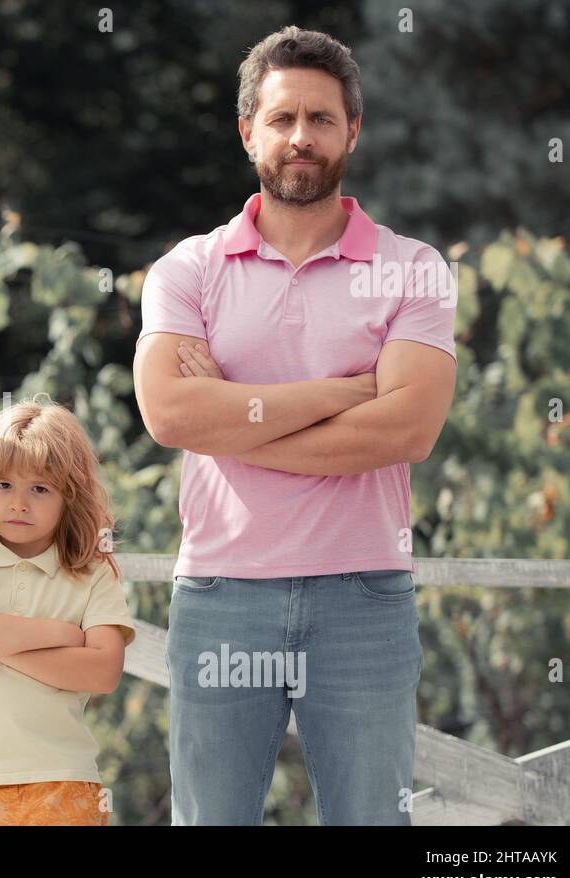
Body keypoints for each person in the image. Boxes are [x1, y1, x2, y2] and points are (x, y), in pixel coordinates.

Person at [133, 27, 457, 825]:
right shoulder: (189, 269)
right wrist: (346, 394)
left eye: (320, 118)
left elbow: (408, 430)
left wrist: (235, 424)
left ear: (353, 130)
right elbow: (170, 413)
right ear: (249, 133)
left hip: (365, 595)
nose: (301, 137)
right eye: (282, 120)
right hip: (220, 593)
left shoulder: (414, 268)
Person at [0, 399, 136, 826]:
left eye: (39, 488)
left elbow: (103, 670)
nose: (19, 503)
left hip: (64, 783)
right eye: (3, 485)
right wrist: (59, 633)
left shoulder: (92, 572)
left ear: (69, 495)